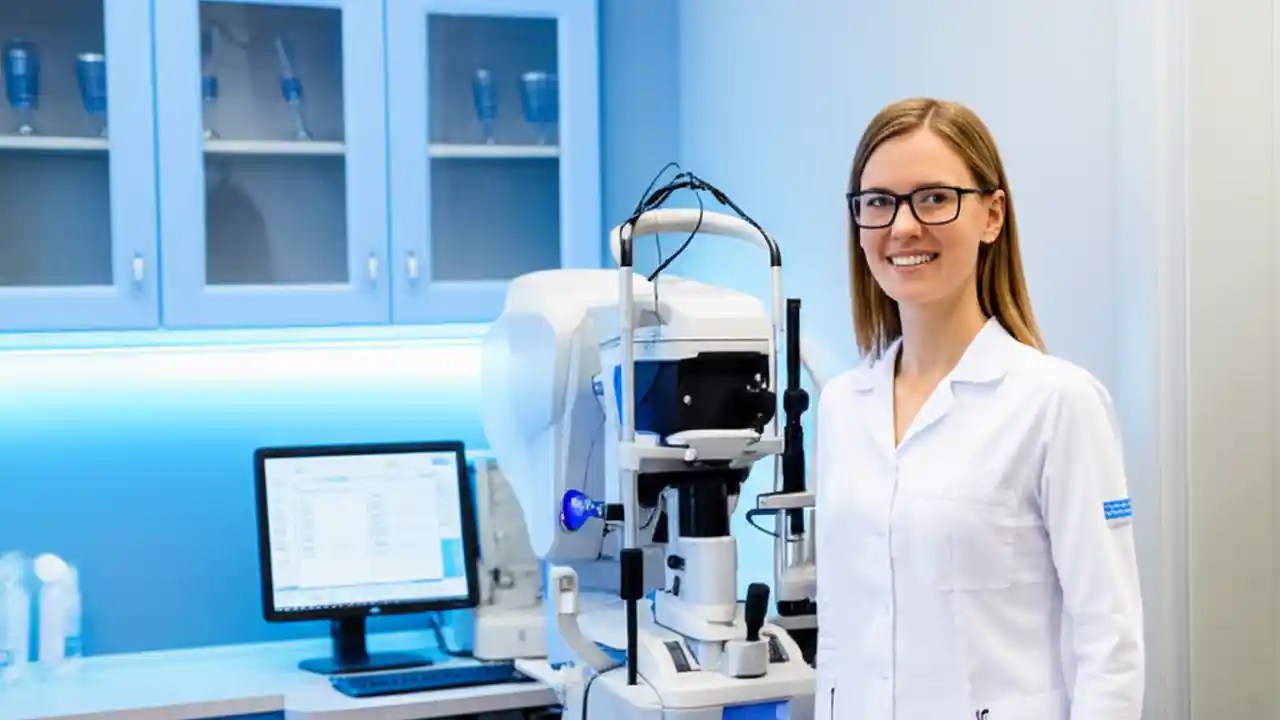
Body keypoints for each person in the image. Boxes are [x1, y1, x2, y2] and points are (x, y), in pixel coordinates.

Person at [813, 97, 1144, 719]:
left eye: (934, 198)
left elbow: (1110, 639)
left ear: (992, 215)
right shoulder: (841, 407)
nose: (902, 226)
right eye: (878, 201)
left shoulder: (1056, 403)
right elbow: (844, 627)